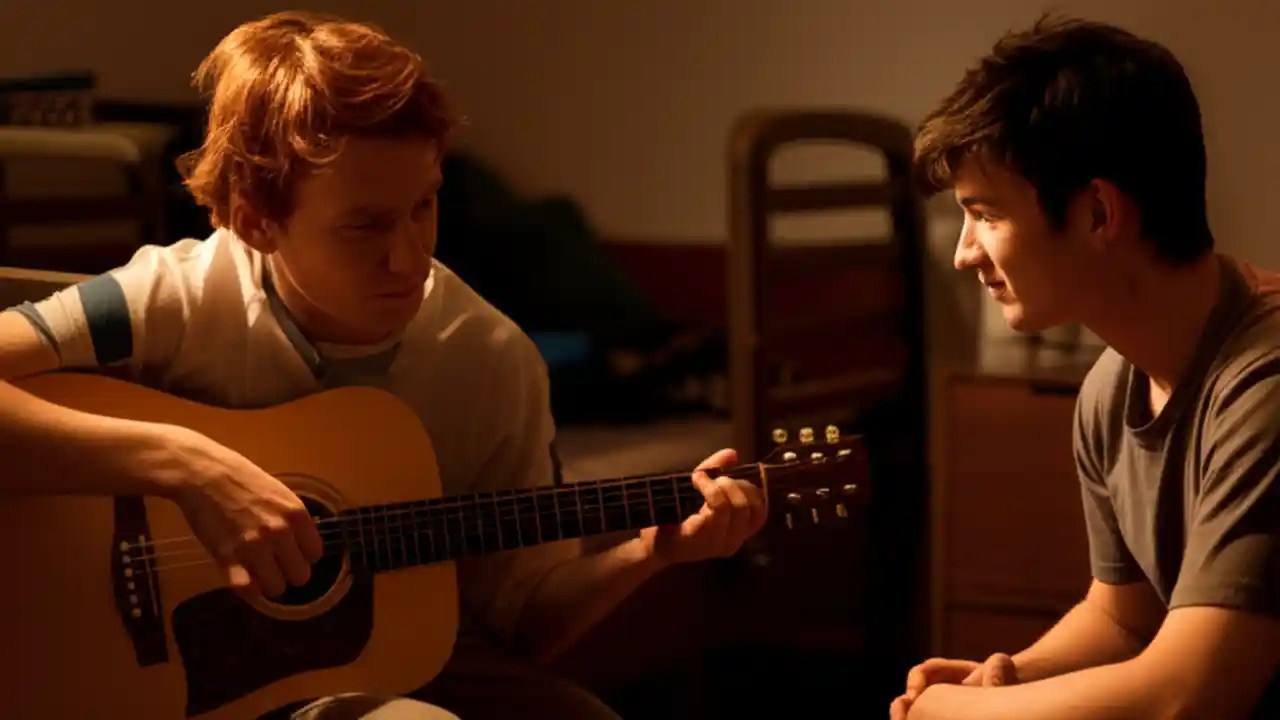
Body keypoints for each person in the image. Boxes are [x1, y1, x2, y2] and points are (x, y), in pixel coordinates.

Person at [0, 11, 767, 719]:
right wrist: (186, 465)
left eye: (424, 206)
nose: (409, 258)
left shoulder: (489, 360)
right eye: (365, 225)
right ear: (253, 221)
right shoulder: (177, 297)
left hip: (381, 664)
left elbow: (524, 625)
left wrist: (650, 553)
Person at [890, 14, 1280, 720]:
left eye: (985, 214)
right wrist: (1008, 678)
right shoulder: (1111, 390)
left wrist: (953, 715)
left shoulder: (1266, 387)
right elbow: (1125, 620)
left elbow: (1188, 695)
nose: (964, 253)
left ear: (1099, 212)